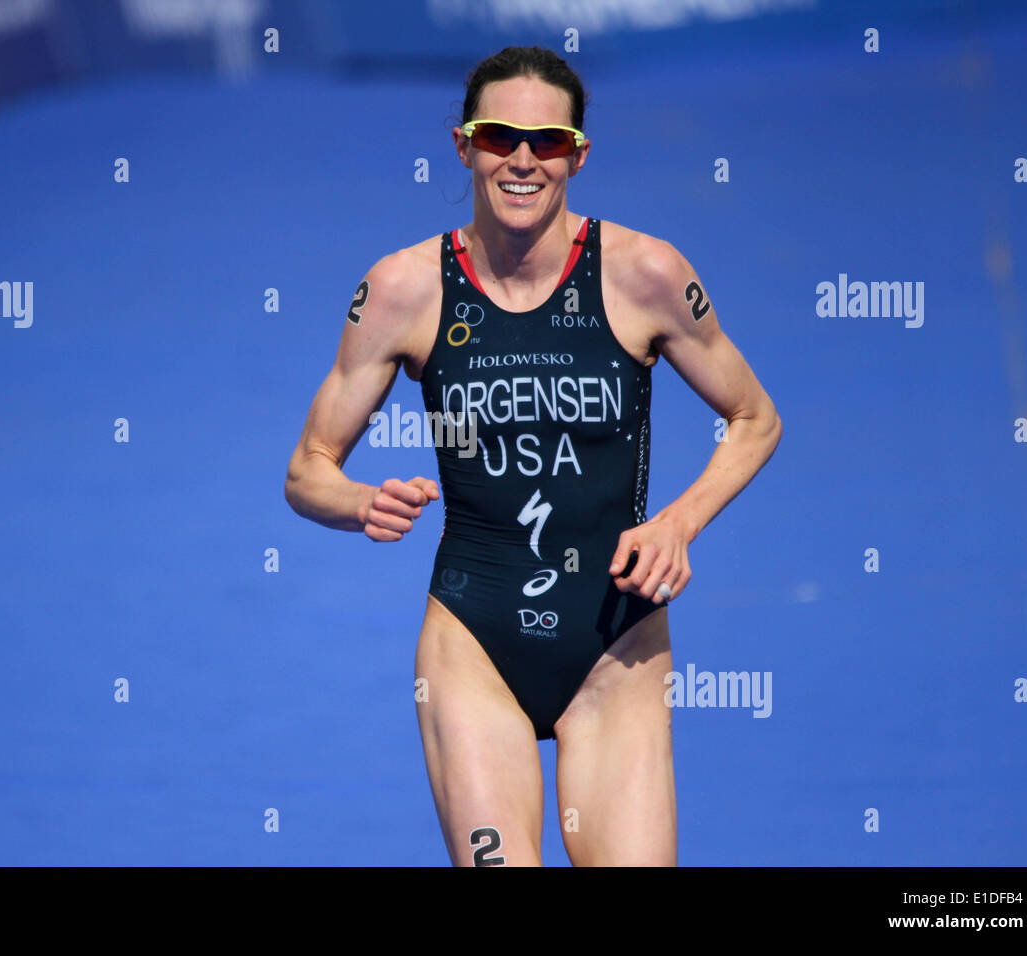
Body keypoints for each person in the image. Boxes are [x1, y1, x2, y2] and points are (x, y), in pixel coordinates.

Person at [284, 45, 781, 866]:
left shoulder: (644, 275)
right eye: (499, 136)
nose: (522, 159)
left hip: (616, 644)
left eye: (546, 142)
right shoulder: (405, 290)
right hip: (472, 644)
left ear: (577, 155)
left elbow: (755, 418)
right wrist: (357, 502)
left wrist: (678, 525)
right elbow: (308, 470)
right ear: (463, 145)